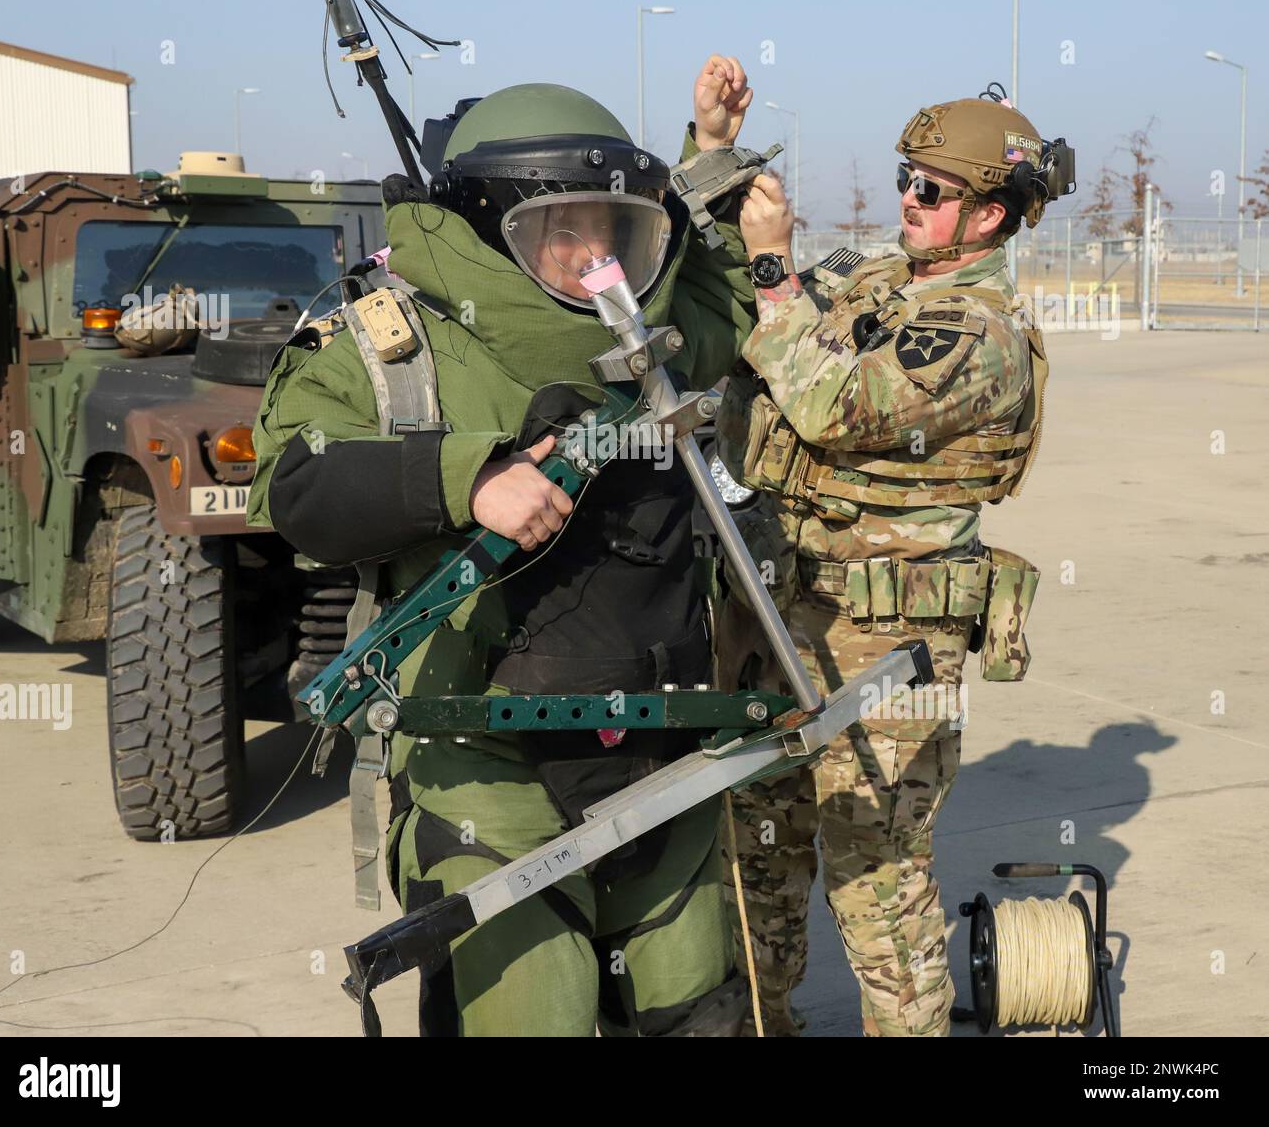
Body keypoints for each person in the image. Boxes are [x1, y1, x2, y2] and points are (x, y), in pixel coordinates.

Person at [247, 55, 796, 1036]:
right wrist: (466, 477)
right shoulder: (386, 348)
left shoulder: (648, 331)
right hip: (485, 763)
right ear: (482, 224)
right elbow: (295, 482)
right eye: (561, 231)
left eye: (615, 230)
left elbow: (720, 301)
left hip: (666, 748)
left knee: (698, 1009)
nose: (594, 257)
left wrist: (706, 154)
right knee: (529, 1009)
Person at [717, 87, 1069, 1036]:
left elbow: (835, 402)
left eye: (930, 188)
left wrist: (774, 269)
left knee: (876, 877)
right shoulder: (883, 278)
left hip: (891, 643)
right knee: (759, 845)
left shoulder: (976, 332)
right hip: (784, 612)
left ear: (988, 214)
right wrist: (713, 147)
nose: (906, 199)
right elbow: (736, 293)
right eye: (906, 180)